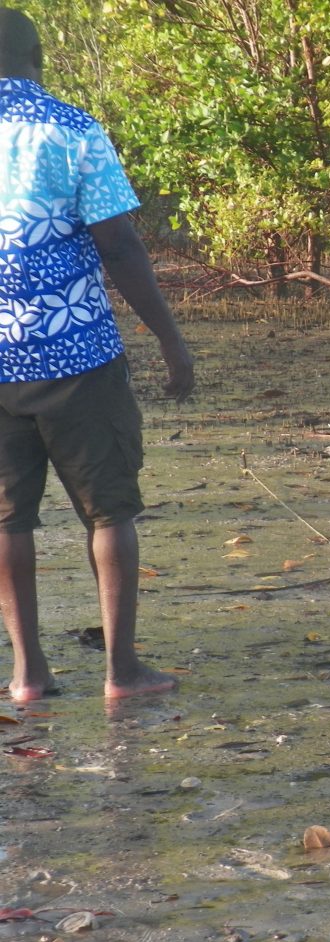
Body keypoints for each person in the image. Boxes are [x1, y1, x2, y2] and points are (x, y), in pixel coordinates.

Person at [0, 8, 195, 702]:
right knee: (110, 511)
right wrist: (171, 341)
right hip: (76, 353)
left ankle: (27, 674)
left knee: (8, 518)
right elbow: (118, 245)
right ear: (38, 57)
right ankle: (122, 672)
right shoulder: (71, 129)